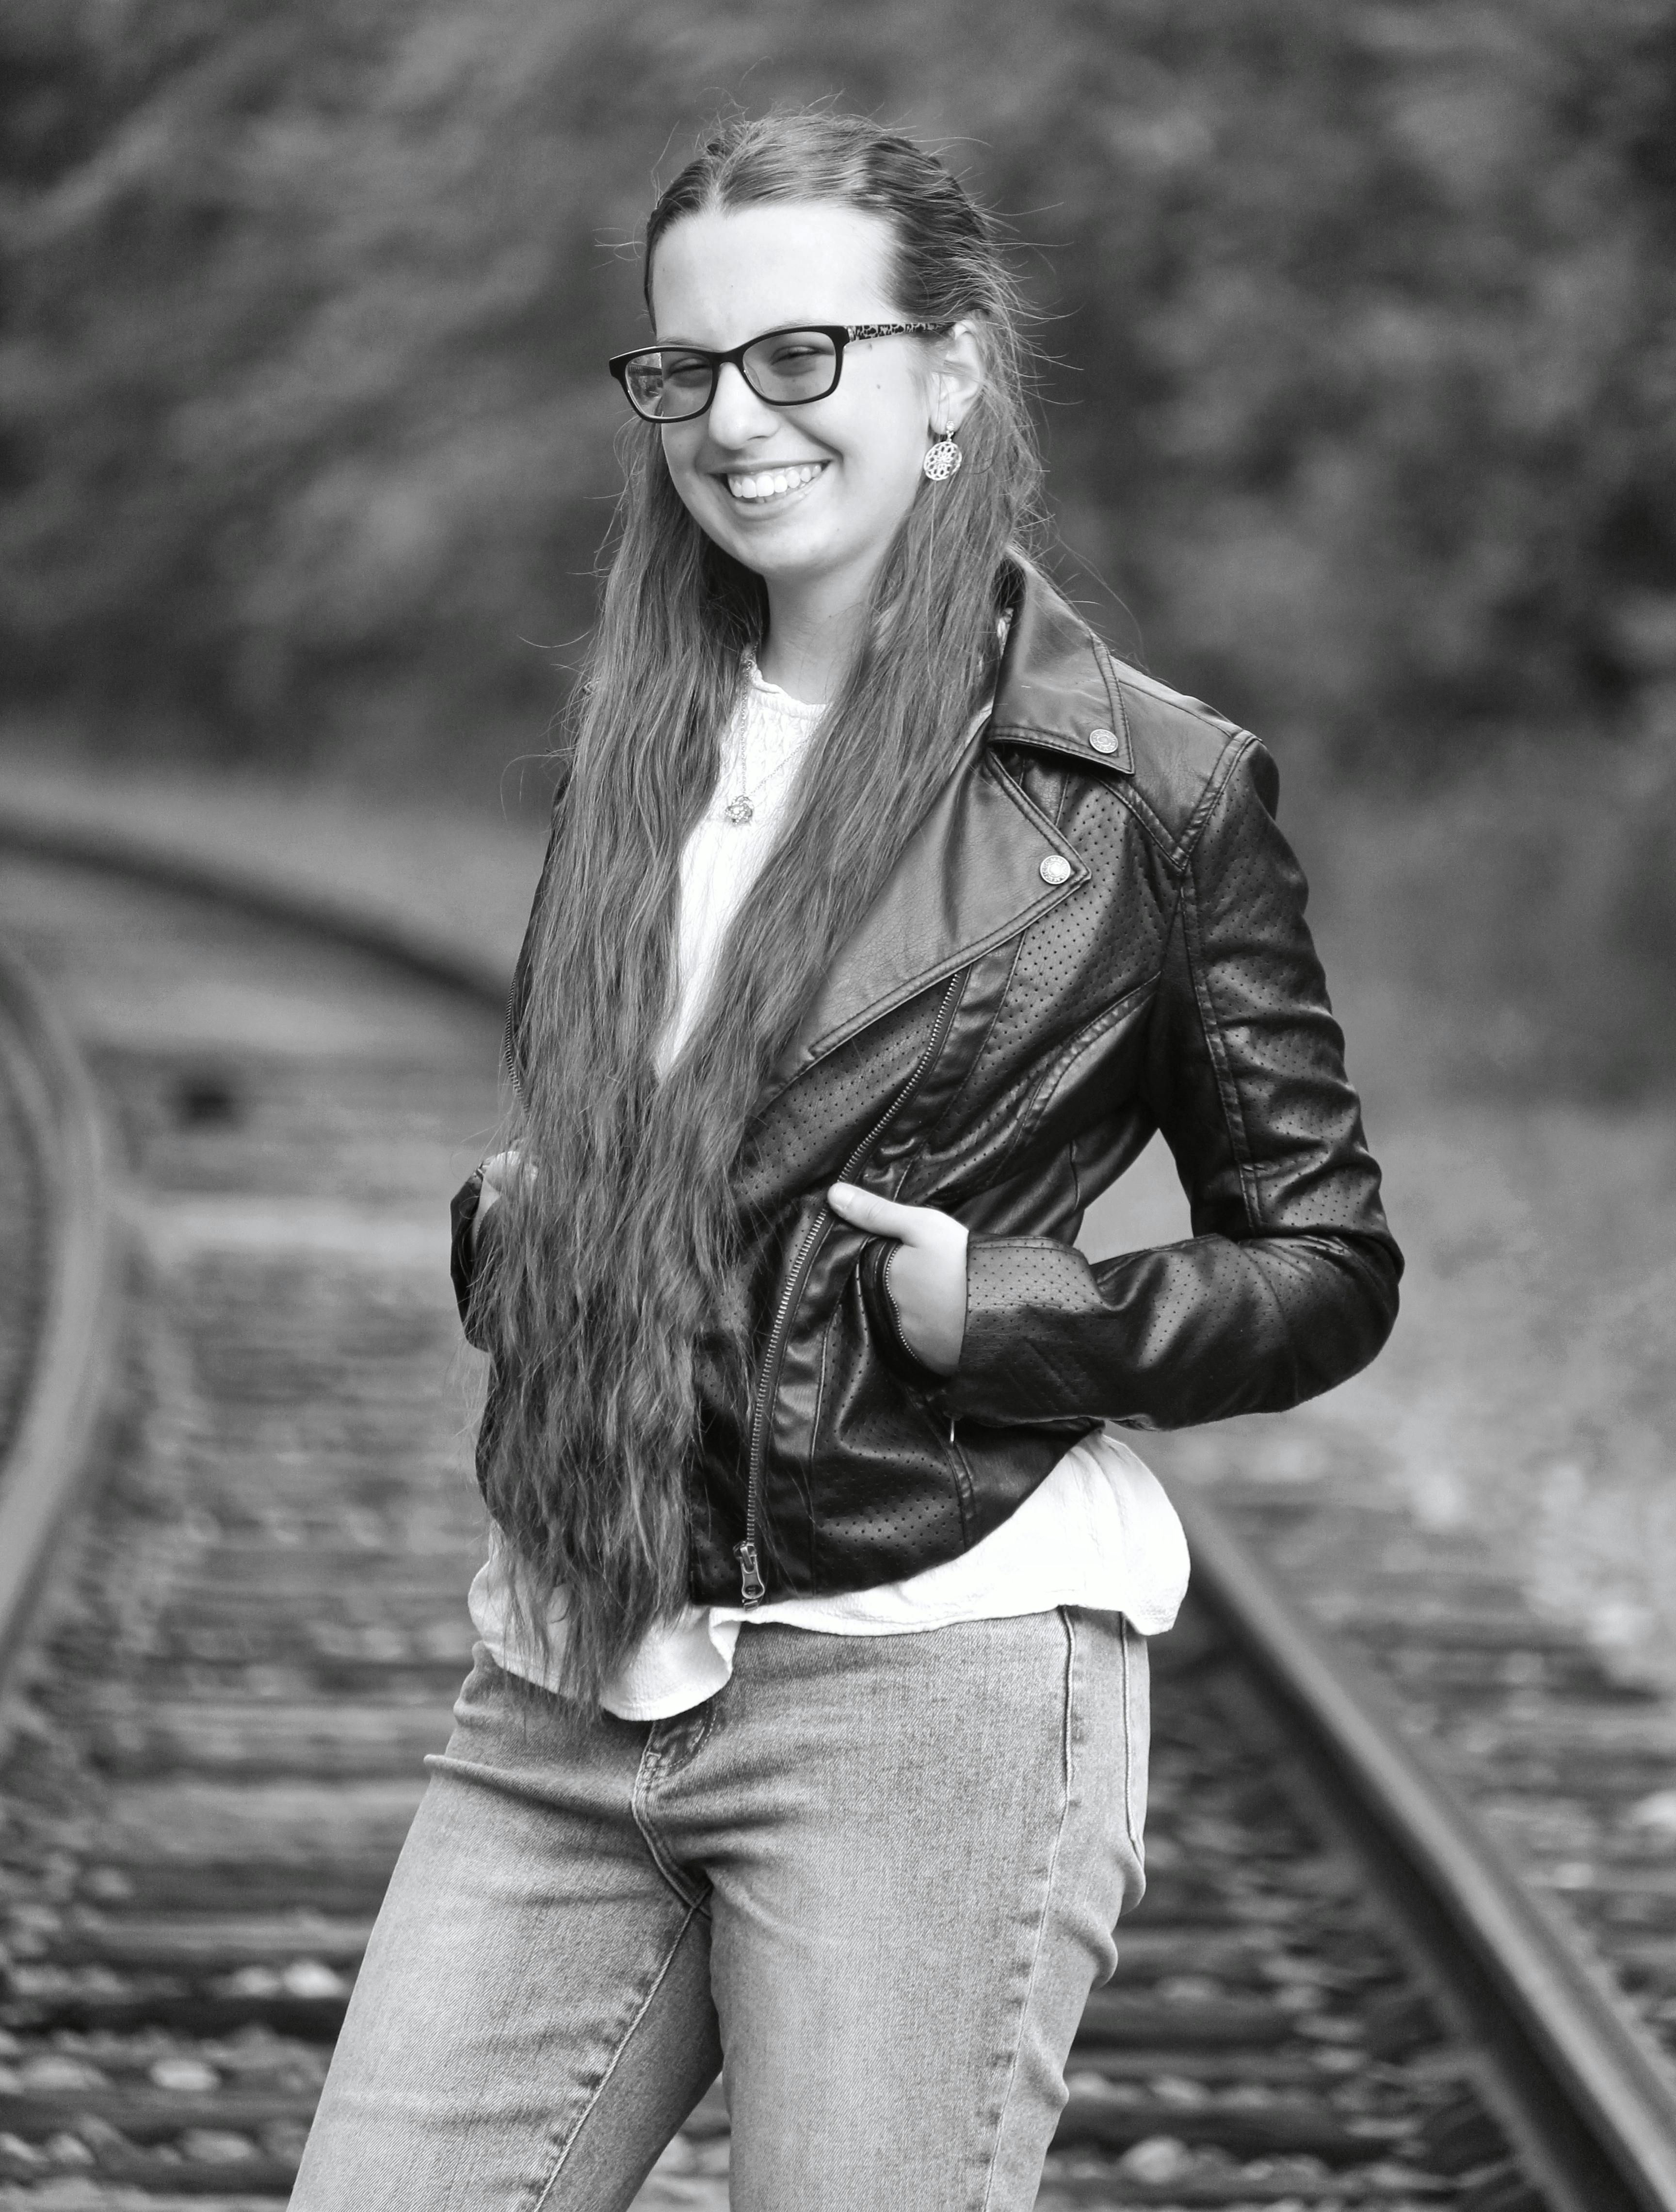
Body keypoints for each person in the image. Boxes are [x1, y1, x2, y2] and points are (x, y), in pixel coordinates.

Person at [291, 111, 1400, 2212]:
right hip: (564, 1668)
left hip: (935, 1685)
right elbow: (629, 1136)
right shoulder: (639, 743)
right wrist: (517, 1234)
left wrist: (1018, 1312)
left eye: (804, 357)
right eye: (685, 370)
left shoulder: (1150, 791)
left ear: (950, 374)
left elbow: (1328, 1261)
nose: (735, 418)